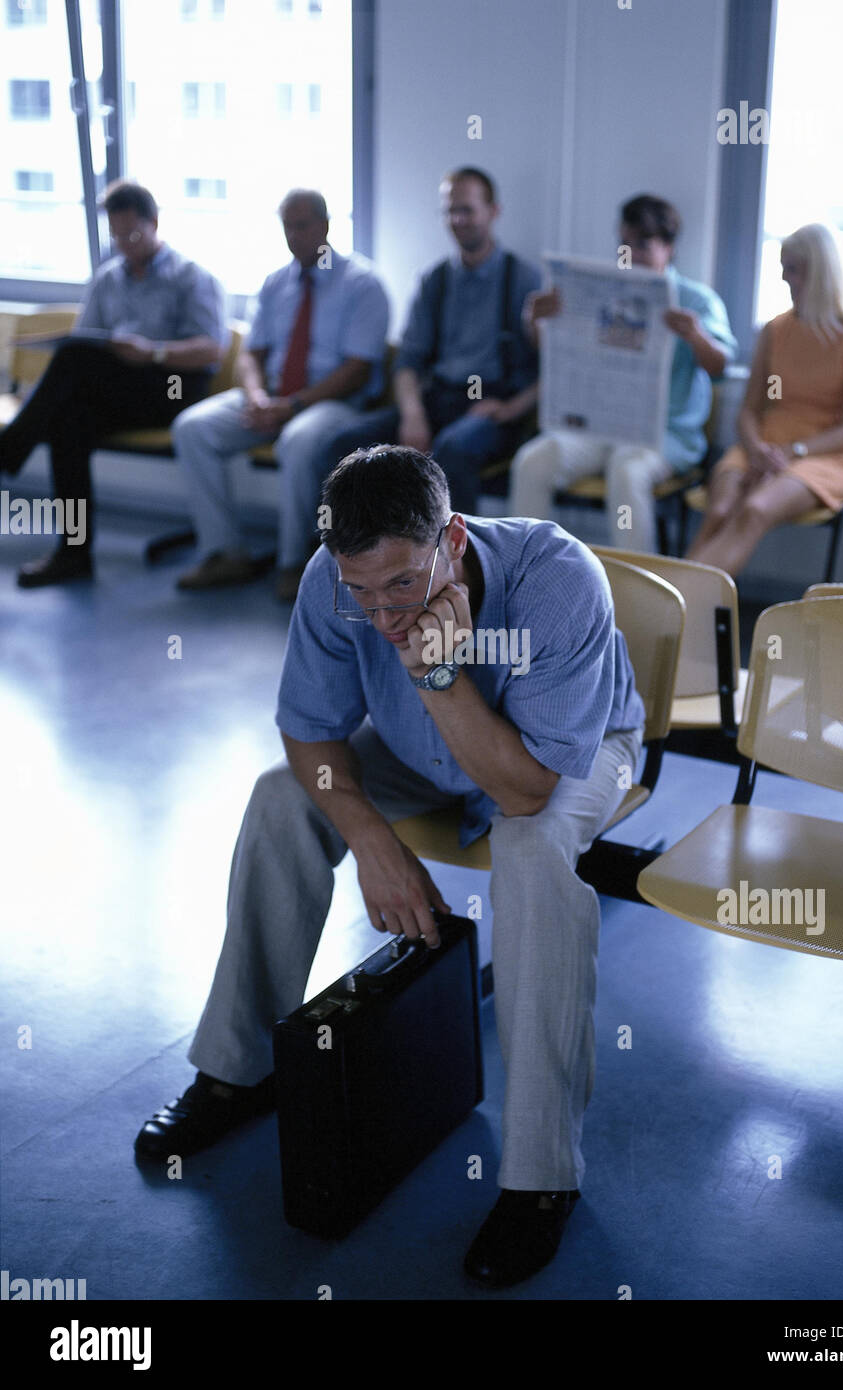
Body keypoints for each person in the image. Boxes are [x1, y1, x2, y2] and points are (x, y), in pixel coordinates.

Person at [135, 446, 646, 1289]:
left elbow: (524, 792)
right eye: (360, 592)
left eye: (402, 586)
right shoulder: (334, 581)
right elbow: (308, 731)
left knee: (530, 851)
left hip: (577, 751)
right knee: (280, 797)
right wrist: (373, 840)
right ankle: (236, 1070)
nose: (380, 613)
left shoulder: (559, 579)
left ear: (450, 539)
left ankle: (541, 1177)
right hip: (427, 745)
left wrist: (437, 673)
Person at [290, 168, 541, 603]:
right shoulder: (436, 280)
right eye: (450, 211)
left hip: (490, 408)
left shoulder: (524, 279)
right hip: (436, 400)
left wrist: (511, 408)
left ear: (493, 212)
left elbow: (549, 369)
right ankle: (346, 570)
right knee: (341, 445)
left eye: (467, 209)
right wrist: (412, 411)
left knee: (452, 452)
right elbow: (406, 361)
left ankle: (458, 584)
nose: (458, 220)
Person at [0, 180, 226, 588]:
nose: (124, 243)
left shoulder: (191, 277)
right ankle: (74, 554)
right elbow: (87, 349)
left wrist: (153, 351)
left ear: (154, 223)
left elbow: (211, 350)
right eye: (117, 235)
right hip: (122, 390)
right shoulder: (108, 279)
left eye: (132, 233)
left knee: (72, 362)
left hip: (172, 387)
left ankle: (9, 450)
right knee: (68, 419)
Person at [172, 189, 389, 598]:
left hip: (333, 405)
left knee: (299, 440)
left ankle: (294, 563)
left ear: (325, 226)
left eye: (302, 225)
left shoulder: (362, 284)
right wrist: (256, 397)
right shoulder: (275, 284)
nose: (293, 235)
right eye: (287, 226)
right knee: (193, 428)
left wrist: (292, 406)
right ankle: (225, 554)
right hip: (272, 398)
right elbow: (251, 354)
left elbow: (357, 370)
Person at [507, 194, 736, 553]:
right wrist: (535, 322)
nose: (631, 254)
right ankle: (526, 574)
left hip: (665, 434)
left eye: (643, 244)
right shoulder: (601, 290)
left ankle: (642, 592)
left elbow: (720, 367)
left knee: (628, 471)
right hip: (601, 426)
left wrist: (696, 336)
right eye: (624, 244)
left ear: (669, 247)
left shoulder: (697, 301)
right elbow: (554, 351)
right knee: (533, 462)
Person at [686, 223, 843, 576]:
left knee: (755, 509)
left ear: (818, 272)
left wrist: (793, 452)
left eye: (791, 269)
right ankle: (683, 610)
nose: (784, 278)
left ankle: (683, 612)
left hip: (823, 456)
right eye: (782, 267)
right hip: (762, 446)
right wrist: (758, 448)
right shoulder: (775, 331)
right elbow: (748, 410)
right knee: (719, 510)